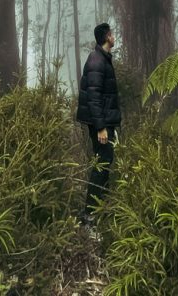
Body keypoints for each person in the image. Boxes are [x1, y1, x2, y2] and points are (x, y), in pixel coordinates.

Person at [76, 22, 121, 224]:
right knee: (102, 163)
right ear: (106, 37)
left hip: (103, 121)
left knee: (103, 162)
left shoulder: (101, 58)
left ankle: (100, 208)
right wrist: (101, 127)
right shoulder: (97, 61)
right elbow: (93, 97)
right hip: (100, 124)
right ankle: (89, 214)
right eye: (112, 34)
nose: (114, 36)